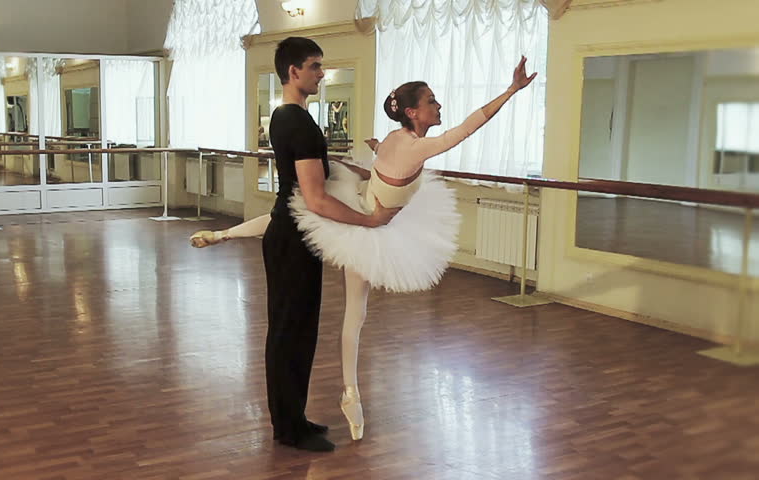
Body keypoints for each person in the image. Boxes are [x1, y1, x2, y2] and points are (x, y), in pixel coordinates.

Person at [191, 56, 537, 442]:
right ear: (412, 111)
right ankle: (350, 394)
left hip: (363, 196)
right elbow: (468, 128)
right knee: (353, 313)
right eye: (431, 100)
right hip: (367, 224)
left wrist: (371, 162)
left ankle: (225, 235)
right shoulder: (413, 148)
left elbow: (383, 170)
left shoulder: (399, 140)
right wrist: (510, 91)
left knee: (298, 216)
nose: (438, 106)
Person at [243, 37, 399, 453]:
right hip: (293, 238)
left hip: (293, 236)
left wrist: (368, 170)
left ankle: (293, 418)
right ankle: (289, 427)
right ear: (293, 72)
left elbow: (321, 171)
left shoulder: (285, 117)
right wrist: (369, 220)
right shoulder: (297, 122)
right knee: (290, 332)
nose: (320, 73)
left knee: (295, 331)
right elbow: (316, 197)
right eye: (314, 66)